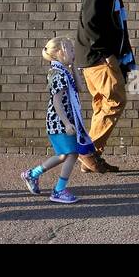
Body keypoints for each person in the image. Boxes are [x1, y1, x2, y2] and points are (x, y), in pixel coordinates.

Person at [75, 0, 137, 173]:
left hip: (93, 57)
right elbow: (90, 25)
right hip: (99, 59)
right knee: (115, 101)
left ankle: (91, 157)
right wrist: (107, 54)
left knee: (102, 104)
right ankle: (88, 152)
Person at [21, 37, 91, 204]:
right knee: (72, 154)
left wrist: (73, 66)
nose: (74, 52)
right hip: (59, 121)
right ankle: (59, 190)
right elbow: (57, 102)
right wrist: (66, 123)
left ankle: (32, 174)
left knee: (63, 155)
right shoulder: (57, 74)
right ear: (60, 52)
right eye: (70, 50)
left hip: (66, 120)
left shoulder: (64, 71)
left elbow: (80, 88)